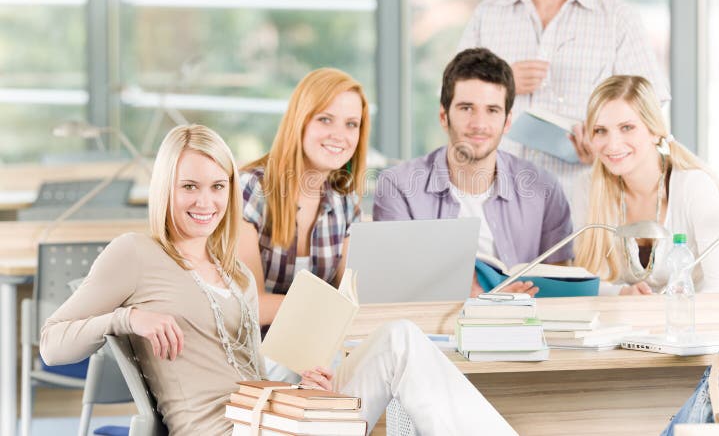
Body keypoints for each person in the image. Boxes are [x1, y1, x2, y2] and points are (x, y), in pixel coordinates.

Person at [39, 124, 518, 435]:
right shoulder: (136, 254)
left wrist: (303, 391)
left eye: (217, 186)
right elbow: (52, 344)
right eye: (189, 187)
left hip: (272, 418)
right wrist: (127, 317)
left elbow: (252, 377)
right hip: (227, 431)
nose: (205, 202)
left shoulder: (236, 273)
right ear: (166, 188)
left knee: (401, 340)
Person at [457, 0, 670, 200]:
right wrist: (501, 82)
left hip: (583, 203)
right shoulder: (488, 15)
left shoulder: (618, 19)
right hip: (495, 199)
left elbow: (650, 106)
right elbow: (453, 100)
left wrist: (605, 141)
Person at [373, 47, 573, 297]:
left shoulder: (543, 188)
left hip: (522, 327)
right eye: (466, 108)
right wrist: (478, 300)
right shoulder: (398, 186)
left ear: (507, 121)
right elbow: (394, 285)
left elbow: (561, 286)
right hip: (432, 331)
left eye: (492, 110)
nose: (479, 124)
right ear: (444, 116)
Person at [572, 75, 719, 295]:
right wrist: (621, 294)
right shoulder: (588, 187)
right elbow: (587, 283)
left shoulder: (695, 186)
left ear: (654, 131)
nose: (612, 145)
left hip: (693, 324)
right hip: (622, 326)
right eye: (600, 130)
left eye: (627, 128)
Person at [238, 68, 368, 326]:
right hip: (258, 350)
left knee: (401, 337)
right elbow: (249, 304)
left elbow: (353, 299)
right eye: (325, 119)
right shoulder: (251, 190)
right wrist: (330, 306)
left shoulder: (345, 202)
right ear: (300, 121)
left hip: (320, 350)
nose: (340, 135)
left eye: (351, 124)